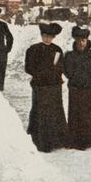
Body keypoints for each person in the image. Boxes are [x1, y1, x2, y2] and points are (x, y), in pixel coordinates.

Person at [24, 22, 68, 152]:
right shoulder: (33, 49)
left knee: (55, 111)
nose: (47, 39)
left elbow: (61, 67)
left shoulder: (57, 49)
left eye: (50, 36)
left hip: (54, 86)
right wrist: (40, 74)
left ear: (54, 37)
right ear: (41, 35)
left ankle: (56, 140)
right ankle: (40, 141)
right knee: (40, 111)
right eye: (45, 36)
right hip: (40, 86)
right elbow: (28, 67)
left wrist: (54, 73)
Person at [64, 26, 91, 150]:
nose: (81, 43)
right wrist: (79, 80)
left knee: (90, 116)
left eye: (83, 40)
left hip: (89, 90)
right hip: (76, 90)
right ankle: (76, 139)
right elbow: (68, 72)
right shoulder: (69, 56)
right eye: (78, 40)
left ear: (87, 41)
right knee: (77, 116)